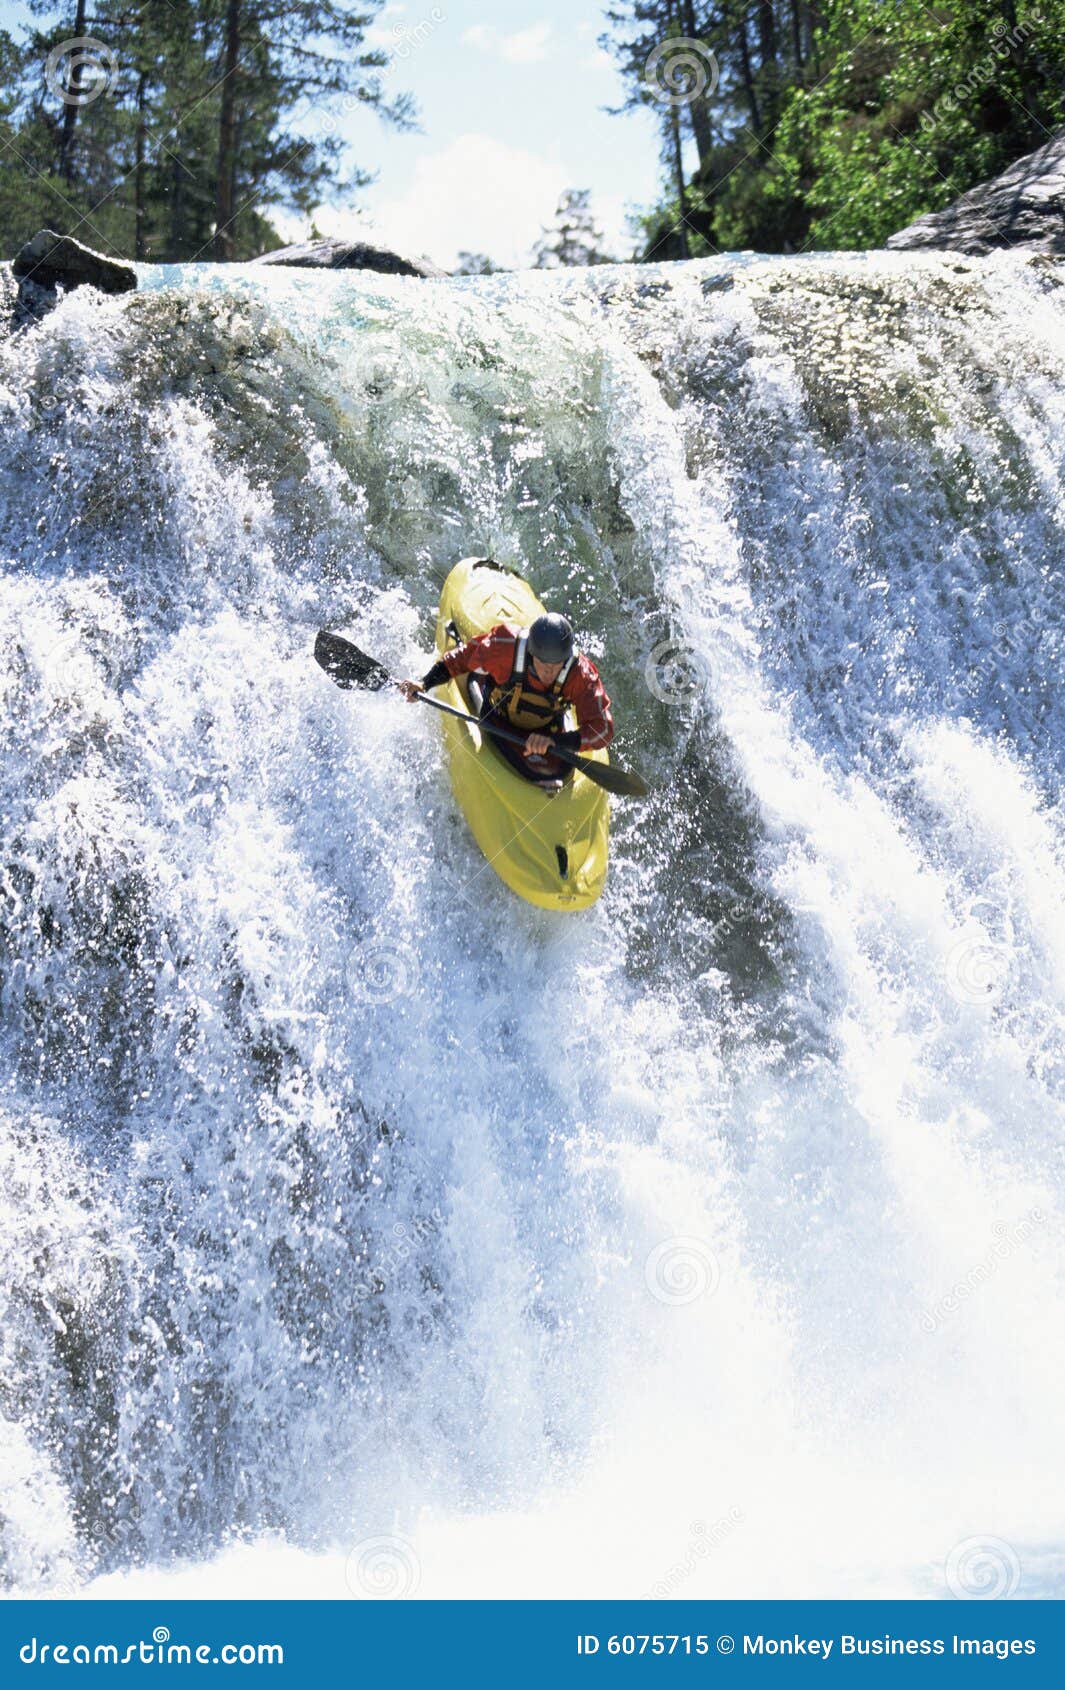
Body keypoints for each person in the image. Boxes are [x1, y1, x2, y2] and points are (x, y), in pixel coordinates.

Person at [401, 612, 613, 773]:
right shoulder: (503, 647)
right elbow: (460, 659)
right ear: (531, 653)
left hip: (547, 732)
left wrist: (556, 742)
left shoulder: (581, 674)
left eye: (557, 664)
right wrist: (424, 683)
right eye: (543, 663)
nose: (549, 671)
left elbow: (603, 729)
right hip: (496, 717)